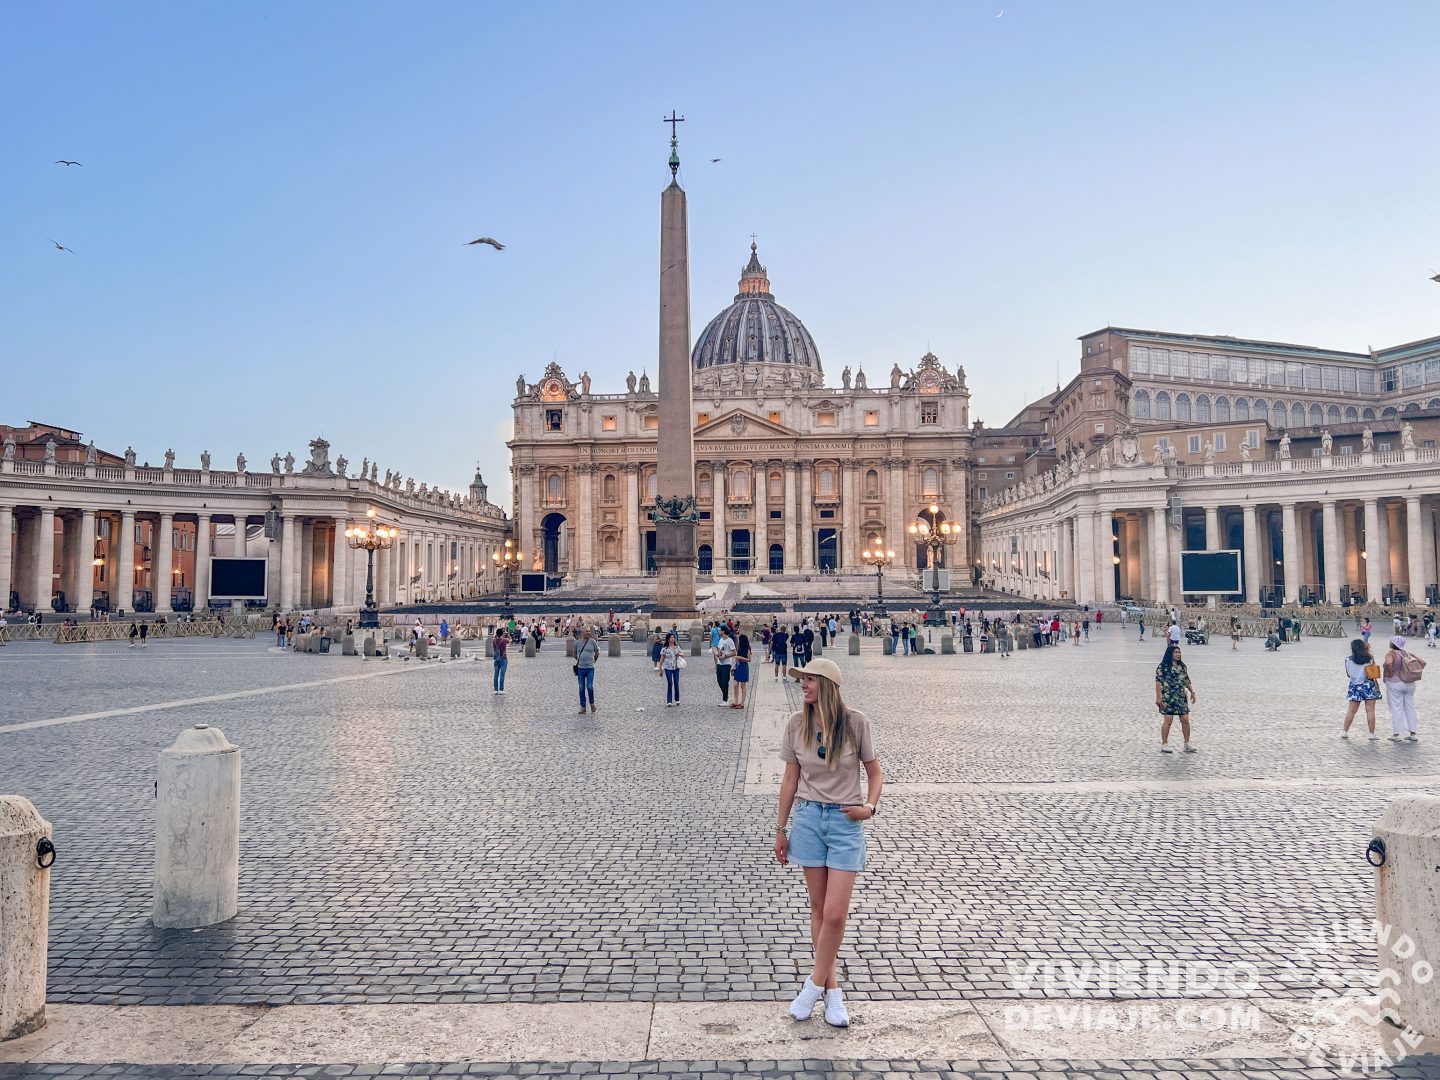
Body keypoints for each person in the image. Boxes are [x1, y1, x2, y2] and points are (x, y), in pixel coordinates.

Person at [774, 658, 883, 1029]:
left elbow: (875, 773)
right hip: (808, 819)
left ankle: (812, 986)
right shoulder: (796, 724)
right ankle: (832, 991)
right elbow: (790, 780)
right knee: (819, 910)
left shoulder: (856, 723)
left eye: (809, 680)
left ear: (827, 685)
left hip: (845, 822)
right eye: (802, 680)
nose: (803, 685)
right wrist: (780, 829)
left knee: (835, 914)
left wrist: (869, 808)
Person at [1155, 643, 1197, 753]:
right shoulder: (1163, 667)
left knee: (1185, 720)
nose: (1178, 654)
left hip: (1180, 697)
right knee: (1168, 720)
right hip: (1168, 697)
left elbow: (1186, 680)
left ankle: (1187, 743)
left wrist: (1192, 691)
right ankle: (1164, 744)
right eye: (1176, 652)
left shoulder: (1182, 666)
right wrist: (1158, 697)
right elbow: (1158, 682)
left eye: (1179, 652)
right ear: (1170, 654)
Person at [1342, 638, 1382, 740]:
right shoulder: (1370, 659)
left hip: (1355, 686)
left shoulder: (1348, 660)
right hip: (1368, 685)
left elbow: (1348, 674)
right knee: (1370, 711)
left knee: (1351, 711)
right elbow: (1373, 672)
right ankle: (1371, 734)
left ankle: (1345, 731)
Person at [1383, 635, 1421, 741]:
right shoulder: (1406, 653)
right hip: (1409, 683)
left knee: (1396, 708)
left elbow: (1388, 663)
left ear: (1393, 643)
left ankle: (1397, 734)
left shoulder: (1391, 654)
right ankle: (1413, 733)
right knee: (1410, 708)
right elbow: (1421, 662)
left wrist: (1390, 673)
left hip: (1395, 683)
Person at [574, 626, 599, 714]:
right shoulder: (577, 643)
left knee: (589, 686)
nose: (588, 633)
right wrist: (580, 660)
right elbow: (574, 654)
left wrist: (593, 661)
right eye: (587, 631)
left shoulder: (592, 642)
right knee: (581, 688)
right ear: (582, 632)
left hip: (590, 668)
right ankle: (583, 707)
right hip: (580, 668)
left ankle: (592, 703)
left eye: (589, 631)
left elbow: (597, 652)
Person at [713, 625, 736, 706]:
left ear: (723, 631)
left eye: (720, 630)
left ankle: (725, 700)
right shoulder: (720, 640)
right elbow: (719, 649)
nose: (718, 632)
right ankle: (726, 695)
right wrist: (717, 654)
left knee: (725, 681)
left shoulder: (730, 641)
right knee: (719, 680)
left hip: (727, 663)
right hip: (720, 663)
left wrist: (725, 656)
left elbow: (734, 652)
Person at [661, 631, 683, 706]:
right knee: (670, 683)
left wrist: (679, 654)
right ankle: (669, 701)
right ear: (668, 639)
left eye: (673, 637)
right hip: (668, 668)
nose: (672, 639)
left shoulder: (677, 647)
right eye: (671, 637)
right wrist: (661, 669)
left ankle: (677, 699)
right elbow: (662, 659)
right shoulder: (665, 648)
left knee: (676, 683)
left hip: (676, 667)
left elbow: (683, 655)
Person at [732, 632, 752, 710]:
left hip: (744, 666)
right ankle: (736, 701)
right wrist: (735, 665)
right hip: (738, 666)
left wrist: (740, 657)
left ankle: (742, 703)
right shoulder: (739, 648)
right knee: (735, 684)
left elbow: (749, 659)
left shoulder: (747, 649)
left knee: (743, 685)